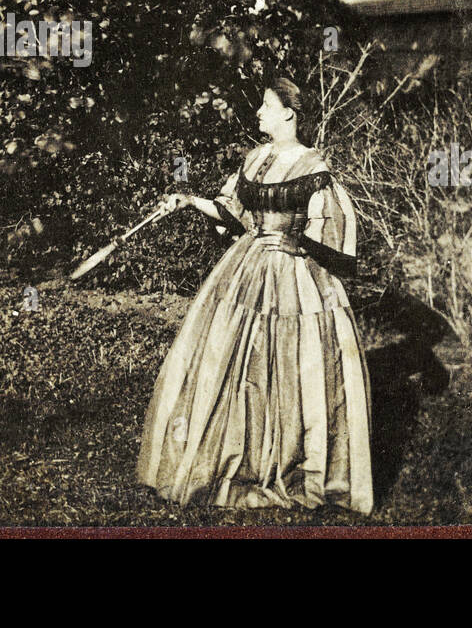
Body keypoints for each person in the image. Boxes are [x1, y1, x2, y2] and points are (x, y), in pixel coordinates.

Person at [136, 77, 373, 513]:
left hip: (294, 273)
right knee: (227, 363)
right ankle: (234, 457)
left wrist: (295, 242)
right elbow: (232, 211)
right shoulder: (256, 159)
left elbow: (331, 228)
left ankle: (287, 461)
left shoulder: (312, 166)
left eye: (266, 105)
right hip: (245, 266)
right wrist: (188, 200)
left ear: (289, 112)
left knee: (289, 363)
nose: (259, 113)